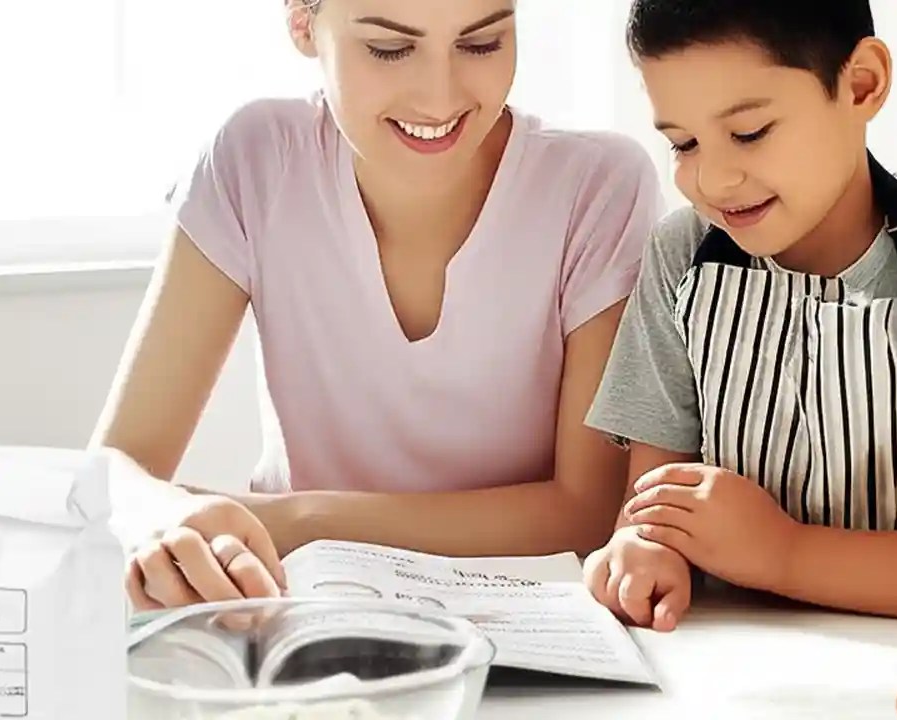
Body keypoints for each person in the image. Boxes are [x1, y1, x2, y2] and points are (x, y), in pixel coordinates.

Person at [92, 0, 664, 610]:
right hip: (294, 608)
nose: (439, 98)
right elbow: (115, 471)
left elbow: (587, 512)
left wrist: (297, 518)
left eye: (481, 44)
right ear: (303, 23)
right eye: (389, 48)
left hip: (527, 618)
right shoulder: (255, 159)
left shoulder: (598, 186)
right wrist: (161, 514)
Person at [583, 0, 897, 632]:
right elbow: (654, 506)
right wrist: (641, 553)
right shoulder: (680, 257)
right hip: (739, 669)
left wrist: (785, 552)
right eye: (684, 143)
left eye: (750, 132)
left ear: (862, 84)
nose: (714, 180)